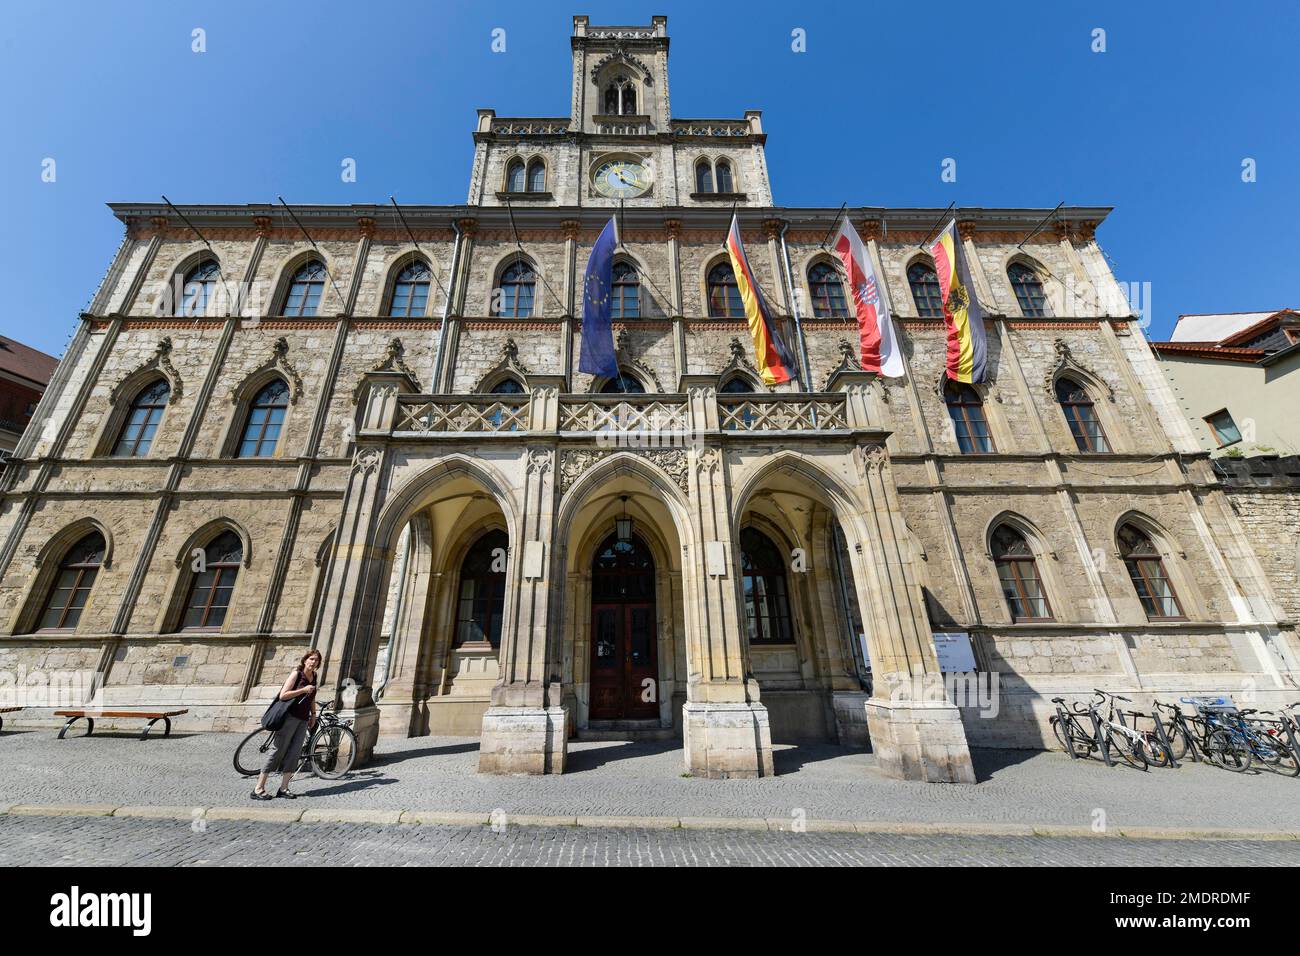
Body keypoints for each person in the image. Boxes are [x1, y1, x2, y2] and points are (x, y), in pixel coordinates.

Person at [252, 650, 320, 800]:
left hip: (303, 719)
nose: (313, 662)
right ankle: (258, 788)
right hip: (289, 717)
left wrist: (313, 715)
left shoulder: (314, 676)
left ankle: (283, 788)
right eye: (311, 659)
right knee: (278, 751)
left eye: (316, 660)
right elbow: (283, 695)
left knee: (295, 753)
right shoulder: (297, 674)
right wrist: (303, 689)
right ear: (305, 660)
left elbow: (312, 698)